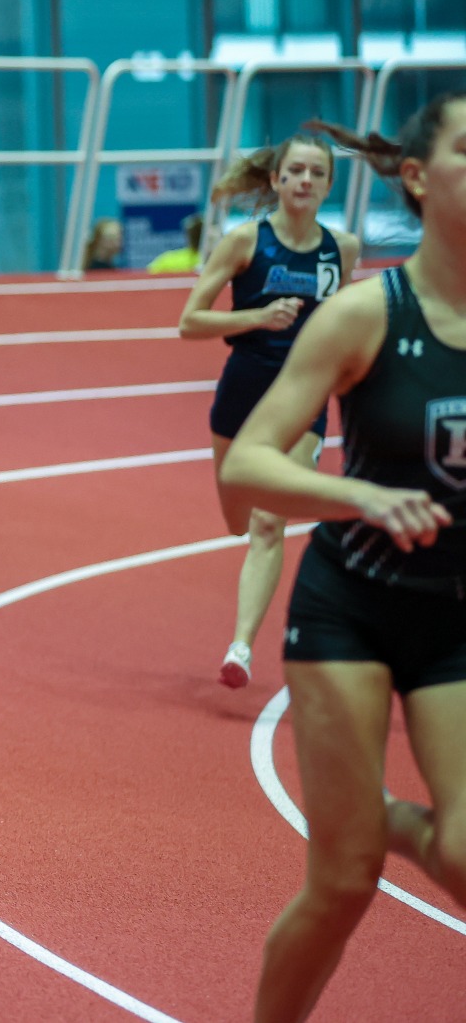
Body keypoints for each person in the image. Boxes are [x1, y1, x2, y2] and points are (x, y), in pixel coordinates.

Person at [219, 94, 466, 1023]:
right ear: (416, 174)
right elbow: (247, 464)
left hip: (453, 617)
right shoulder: (366, 315)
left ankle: (392, 819)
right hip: (351, 609)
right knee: (344, 881)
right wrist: (361, 495)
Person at [180, 131, 358, 688]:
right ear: (277, 179)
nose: (306, 181)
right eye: (297, 171)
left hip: (301, 400)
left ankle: (241, 648)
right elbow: (190, 322)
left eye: (317, 173)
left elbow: (341, 323)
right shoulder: (244, 242)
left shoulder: (343, 248)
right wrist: (256, 318)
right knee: (236, 519)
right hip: (243, 391)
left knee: (267, 521)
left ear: (329, 184)